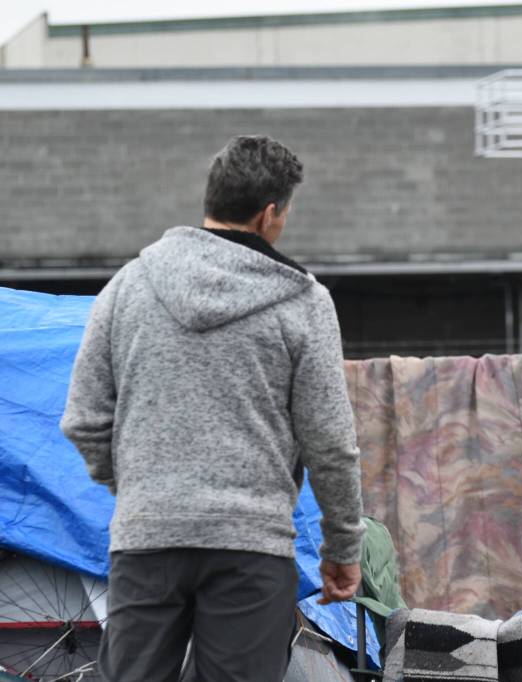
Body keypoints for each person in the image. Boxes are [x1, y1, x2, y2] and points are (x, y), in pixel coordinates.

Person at [61, 135, 365, 682]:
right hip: (250, 549)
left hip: (147, 536)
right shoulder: (303, 302)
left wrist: (141, 488)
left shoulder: (128, 286)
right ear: (270, 214)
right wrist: (343, 549)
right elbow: (331, 444)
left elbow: (83, 418)